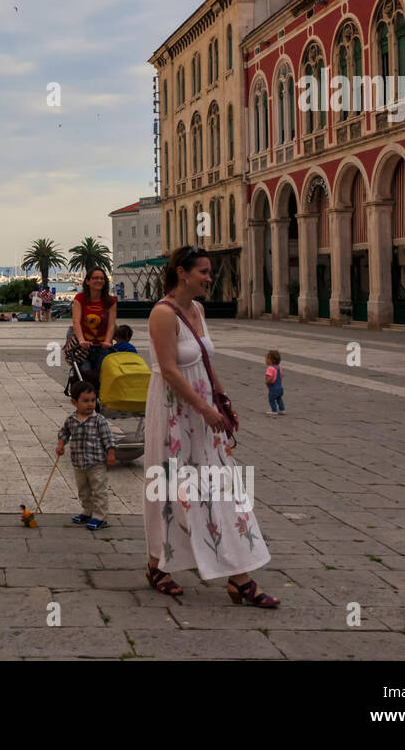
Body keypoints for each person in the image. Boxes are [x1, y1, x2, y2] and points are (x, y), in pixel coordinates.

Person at [142, 245, 277, 607]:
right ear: (182, 273)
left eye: (209, 271)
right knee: (170, 488)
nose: (209, 277)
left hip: (204, 413)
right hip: (174, 411)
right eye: (203, 271)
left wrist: (222, 399)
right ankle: (158, 565)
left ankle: (239, 577)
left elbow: (206, 359)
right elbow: (169, 369)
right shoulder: (162, 314)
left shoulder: (198, 310)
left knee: (220, 485)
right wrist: (203, 408)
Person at [57, 381, 116, 530]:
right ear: (74, 402)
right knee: (83, 490)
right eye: (85, 401)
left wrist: (111, 454)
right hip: (78, 463)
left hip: (96, 463)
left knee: (98, 490)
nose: (90, 404)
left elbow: (108, 438)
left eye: (92, 400)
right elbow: (64, 433)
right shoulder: (71, 420)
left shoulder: (99, 420)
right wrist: (60, 445)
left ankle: (100, 517)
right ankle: (88, 511)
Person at [73, 268, 117, 377]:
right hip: (84, 348)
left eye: (102, 278)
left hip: (102, 347)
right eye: (95, 278)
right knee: (85, 375)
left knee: (101, 377)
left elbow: (111, 324)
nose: (99, 280)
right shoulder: (80, 298)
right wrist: (81, 340)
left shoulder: (110, 301)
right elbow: (76, 322)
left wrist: (107, 341)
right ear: (87, 281)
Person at [265, 349, 285, 415]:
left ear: (270, 360)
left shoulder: (270, 368)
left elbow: (270, 377)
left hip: (273, 388)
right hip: (280, 387)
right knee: (279, 398)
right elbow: (282, 375)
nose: (265, 360)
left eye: (266, 359)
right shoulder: (278, 368)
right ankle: (282, 409)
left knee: (271, 399)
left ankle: (274, 410)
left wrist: (267, 382)